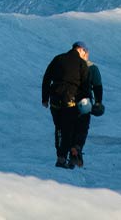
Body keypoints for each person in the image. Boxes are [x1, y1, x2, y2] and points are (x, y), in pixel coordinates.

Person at [42, 41, 92, 169]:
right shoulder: (82, 64)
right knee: (69, 129)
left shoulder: (58, 59)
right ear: (80, 50)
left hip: (54, 100)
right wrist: (87, 103)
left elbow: (47, 78)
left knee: (59, 128)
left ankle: (60, 156)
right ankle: (68, 155)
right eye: (85, 52)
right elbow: (85, 86)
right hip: (70, 100)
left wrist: (45, 98)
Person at [72, 57, 104, 168]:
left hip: (68, 99)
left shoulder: (66, 63)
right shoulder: (92, 67)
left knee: (68, 125)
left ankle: (65, 152)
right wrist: (98, 102)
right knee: (83, 126)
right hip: (85, 101)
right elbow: (97, 86)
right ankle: (77, 147)